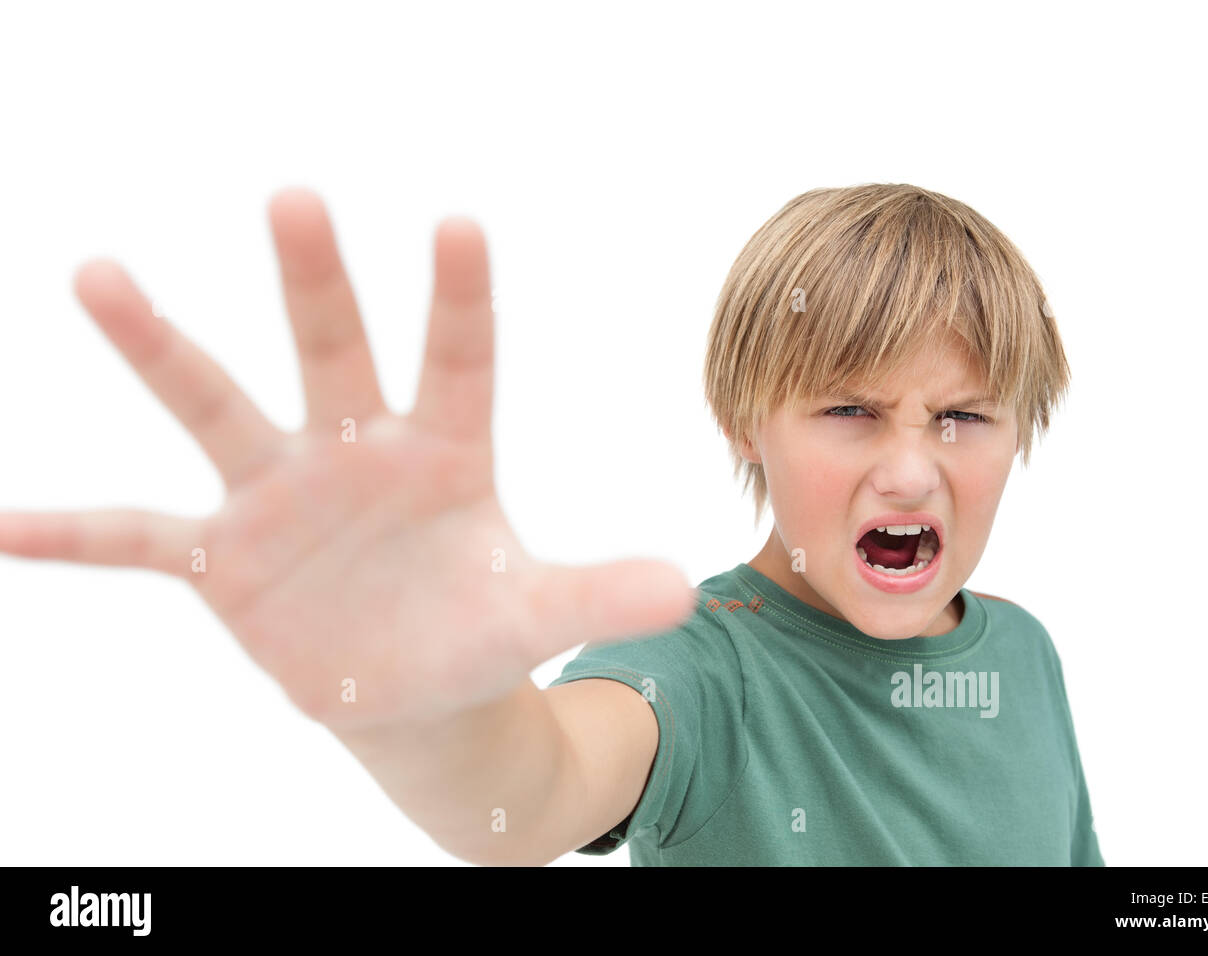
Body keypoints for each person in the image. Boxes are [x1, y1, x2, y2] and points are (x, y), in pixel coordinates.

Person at [0, 183, 1102, 866]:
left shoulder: (1023, 652)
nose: (910, 469)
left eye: (961, 417)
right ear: (742, 423)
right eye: (850, 411)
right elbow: (525, 798)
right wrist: (422, 708)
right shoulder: (697, 663)